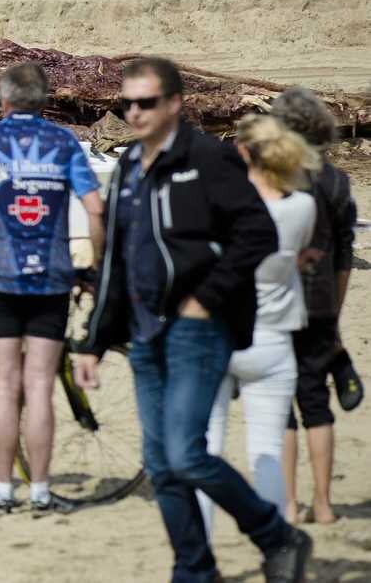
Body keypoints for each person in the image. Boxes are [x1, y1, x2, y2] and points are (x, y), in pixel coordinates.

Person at [74, 56, 312, 583]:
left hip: (197, 329)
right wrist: (93, 342)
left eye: (146, 102)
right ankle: (194, 570)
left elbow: (257, 233)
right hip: (143, 332)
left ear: (175, 103)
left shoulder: (207, 158)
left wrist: (206, 298)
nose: (134, 113)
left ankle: (276, 535)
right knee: (161, 465)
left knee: (185, 455)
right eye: (126, 103)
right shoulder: (128, 167)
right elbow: (115, 261)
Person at [0, 62, 105, 513]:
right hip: (50, 275)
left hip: (1, 273)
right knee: (38, 387)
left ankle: (2, 490)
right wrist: (94, 266)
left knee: (4, 385)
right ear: (44, 100)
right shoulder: (63, 142)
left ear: (4, 100)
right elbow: (96, 210)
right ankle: (39, 490)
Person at [198, 115, 317, 538]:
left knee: (205, 450)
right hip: (272, 336)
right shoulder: (301, 205)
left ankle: (201, 549)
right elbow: (296, 253)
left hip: (219, 332)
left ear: (243, 152)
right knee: (267, 451)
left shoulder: (219, 203)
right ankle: (276, 544)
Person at [270, 87, 360, 525]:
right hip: (321, 302)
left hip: (276, 303)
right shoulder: (337, 182)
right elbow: (343, 258)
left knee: (281, 407)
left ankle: (288, 504)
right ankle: (323, 504)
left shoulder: (271, 179)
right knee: (316, 401)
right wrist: (335, 315)